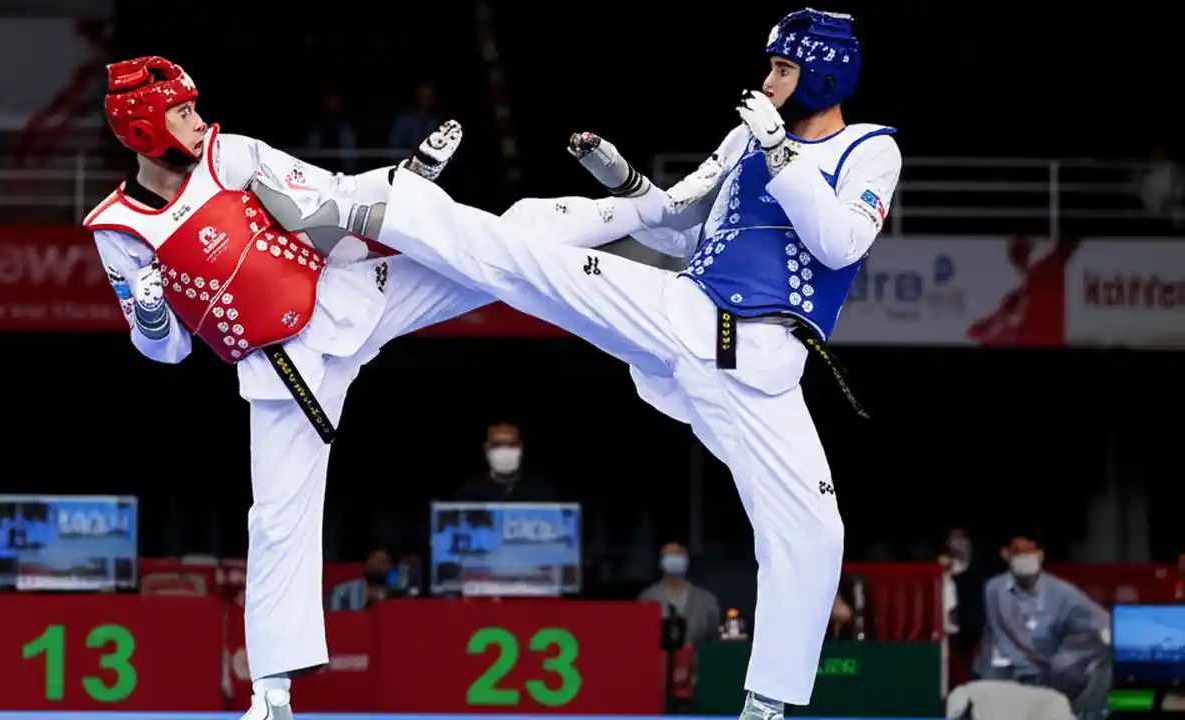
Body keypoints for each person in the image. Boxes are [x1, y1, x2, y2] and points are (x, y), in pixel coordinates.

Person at [282, 9, 903, 717]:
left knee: (817, 535)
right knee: (530, 261)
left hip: (762, 368)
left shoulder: (869, 151)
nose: (767, 83)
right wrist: (625, 179)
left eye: (782, 70)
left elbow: (840, 242)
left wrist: (780, 153)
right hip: (682, 316)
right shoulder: (745, 138)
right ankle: (379, 206)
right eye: (770, 68)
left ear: (824, 72)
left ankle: (767, 705)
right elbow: (678, 220)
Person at [84, 56, 653, 720]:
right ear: (144, 130)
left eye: (192, 107)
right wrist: (151, 315)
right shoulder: (119, 230)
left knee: (498, 243)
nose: (199, 119)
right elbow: (164, 351)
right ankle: (272, 694)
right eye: (181, 112)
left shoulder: (229, 156)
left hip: (348, 293)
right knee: (275, 520)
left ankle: (642, 210)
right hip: (281, 370)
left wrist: (406, 183)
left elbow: (329, 193)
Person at [975, 535, 1109, 702]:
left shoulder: (1061, 592)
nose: (1025, 558)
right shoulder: (993, 589)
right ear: (1006, 554)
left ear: (1040, 555)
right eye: (1019, 553)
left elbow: (1097, 619)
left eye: (1029, 552)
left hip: (1045, 677)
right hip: (1002, 676)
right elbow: (994, 636)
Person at [638, 542, 721, 648]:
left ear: (687, 560)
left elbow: (714, 640)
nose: (674, 559)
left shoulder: (707, 600)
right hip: (658, 660)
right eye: (669, 555)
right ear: (661, 562)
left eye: (678, 554)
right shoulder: (648, 597)